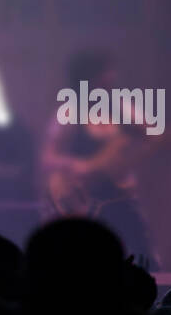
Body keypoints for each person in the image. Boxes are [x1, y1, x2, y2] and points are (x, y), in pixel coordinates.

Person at [41, 50, 158, 266]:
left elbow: (154, 136)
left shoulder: (123, 108)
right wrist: (79, 165)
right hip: (84, 200)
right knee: (79, 259)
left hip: (120, 196)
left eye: (110, 72)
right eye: (103, 73)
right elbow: (48, 158)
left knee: (145, 259)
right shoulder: (70, 111)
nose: (110, 77)